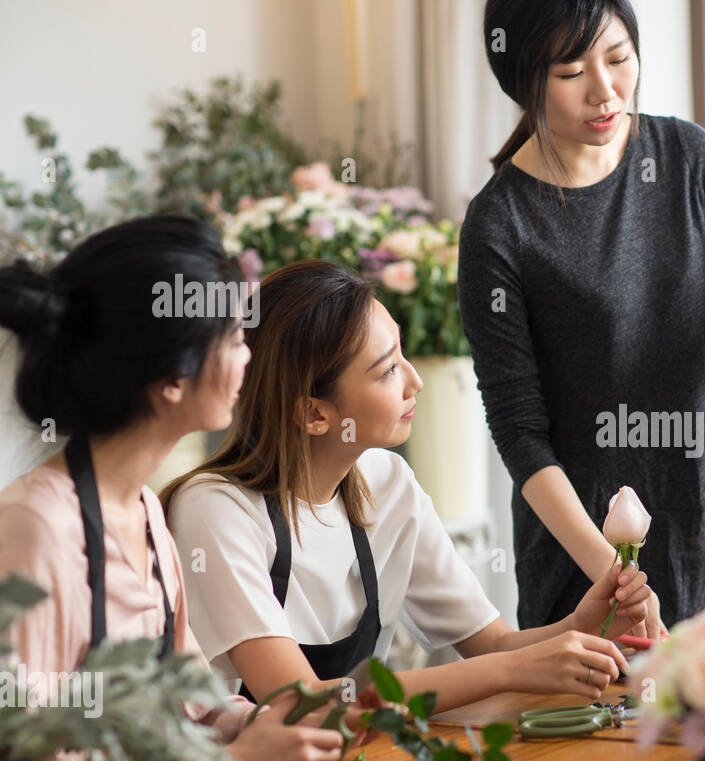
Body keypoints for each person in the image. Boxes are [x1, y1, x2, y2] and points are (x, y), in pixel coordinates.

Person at [459, 0, 705, 636]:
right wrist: (615, 578)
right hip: (583, 562)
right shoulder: (500, 224)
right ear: (523, 80)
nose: (605, 91)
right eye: (570, 74)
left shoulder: (686, 157)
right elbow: (519, 432)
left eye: (619, 59)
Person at [162, 259, 646, 709]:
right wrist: (513, 669)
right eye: (388, 369)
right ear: (314, 413)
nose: (414, 381)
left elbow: (492, 643)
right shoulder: (214, 510)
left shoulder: (387, 483)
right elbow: (298, 703)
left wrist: (584, 625)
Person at [0, 216, 347, 761]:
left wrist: (267, 720)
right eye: (236, 338)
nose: (249, 357)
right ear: (171, 379)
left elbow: (189, 702)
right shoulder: (37, 528)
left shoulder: (144, 511)